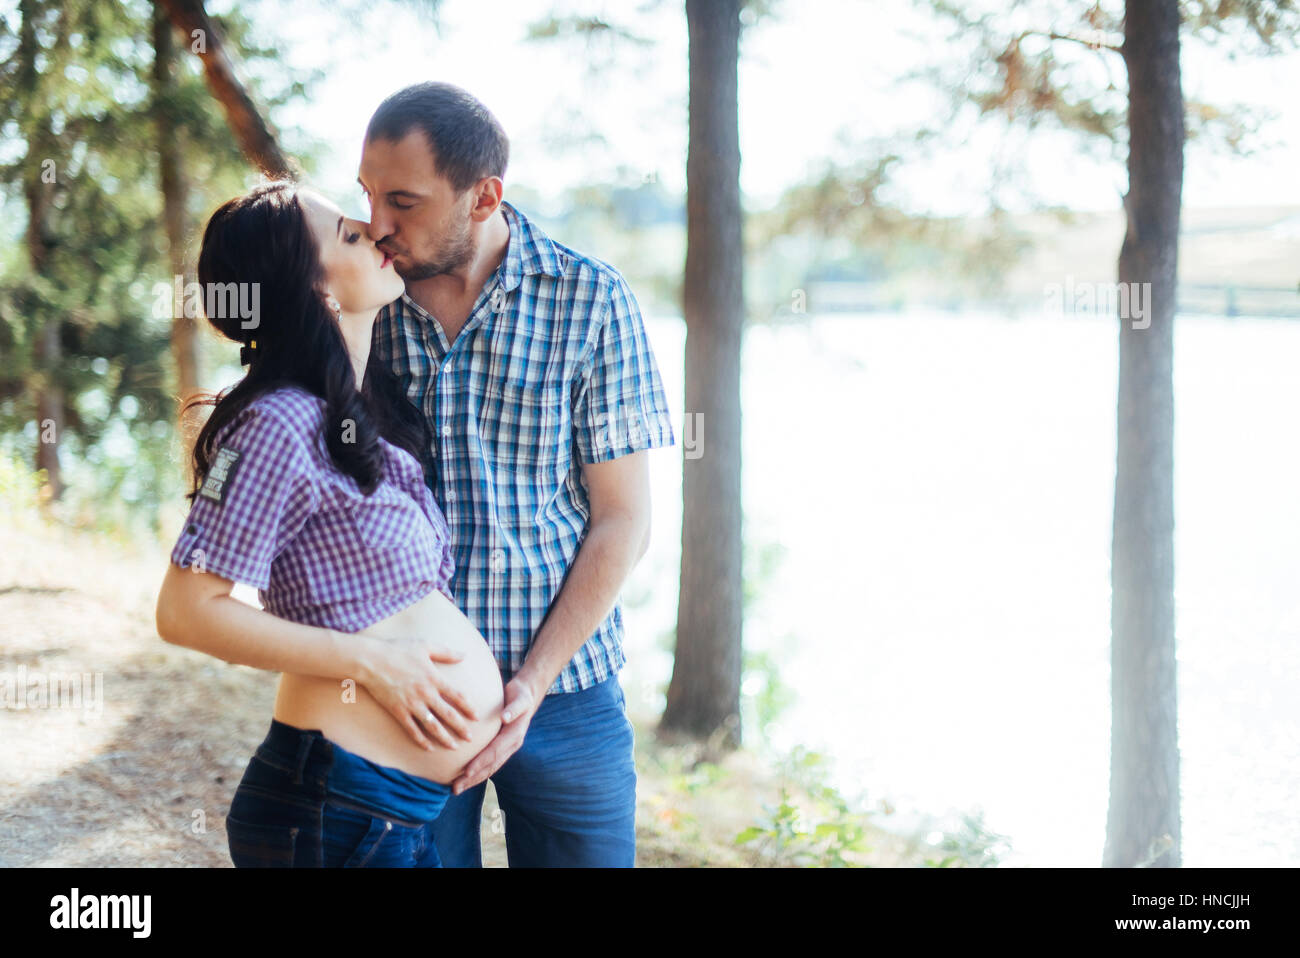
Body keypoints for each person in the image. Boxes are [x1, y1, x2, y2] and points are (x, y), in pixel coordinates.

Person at [359, 81, 677, 867]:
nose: (376, 225)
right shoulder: (365, 302)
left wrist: (532, 685)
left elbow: (622, 520)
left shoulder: (591, 300)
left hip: (568, 693)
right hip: (413, 693)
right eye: (367, 195)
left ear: (484, 196)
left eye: (403, 200)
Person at [154, 180, 505, 867]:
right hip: (334, 809)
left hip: (381, 810)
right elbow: (185, 613)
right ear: (313, 291)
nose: (376, 234)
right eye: (348, 235)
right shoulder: (277, 422)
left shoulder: (353, 413)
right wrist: (372, 665)